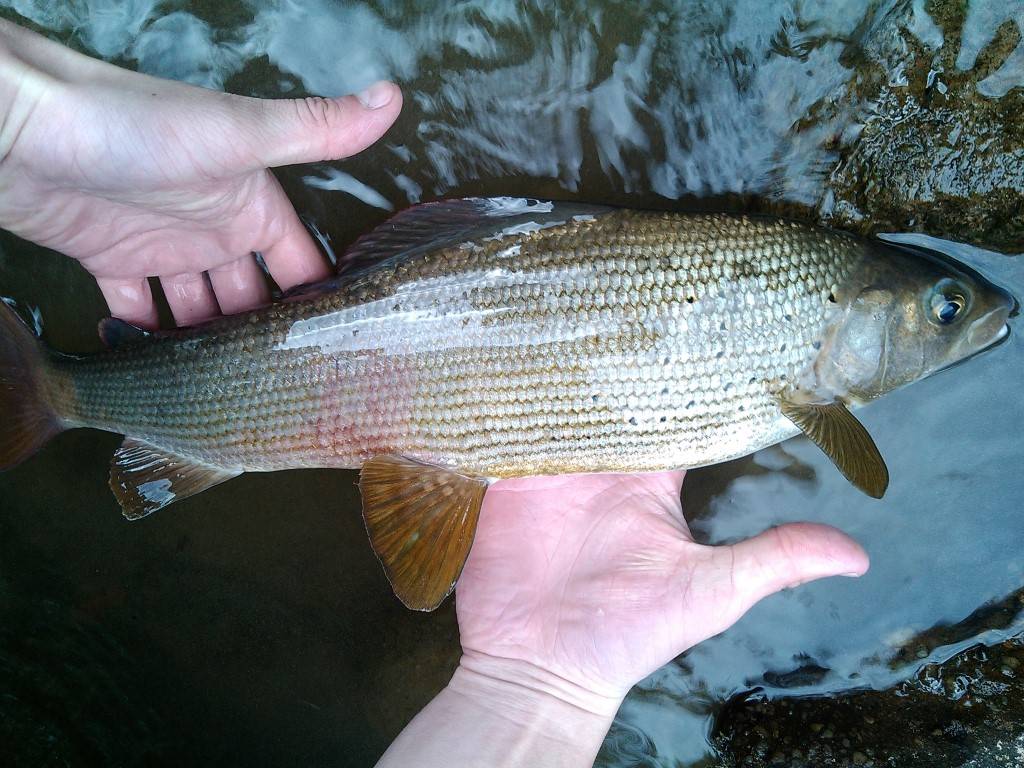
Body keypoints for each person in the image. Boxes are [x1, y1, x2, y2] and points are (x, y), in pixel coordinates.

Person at [0, 19, 869, 767]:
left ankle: (60, 391)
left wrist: (28, 125)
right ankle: (52, 392)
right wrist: (542, 694)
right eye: (935, 313)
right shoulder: (810, 382)